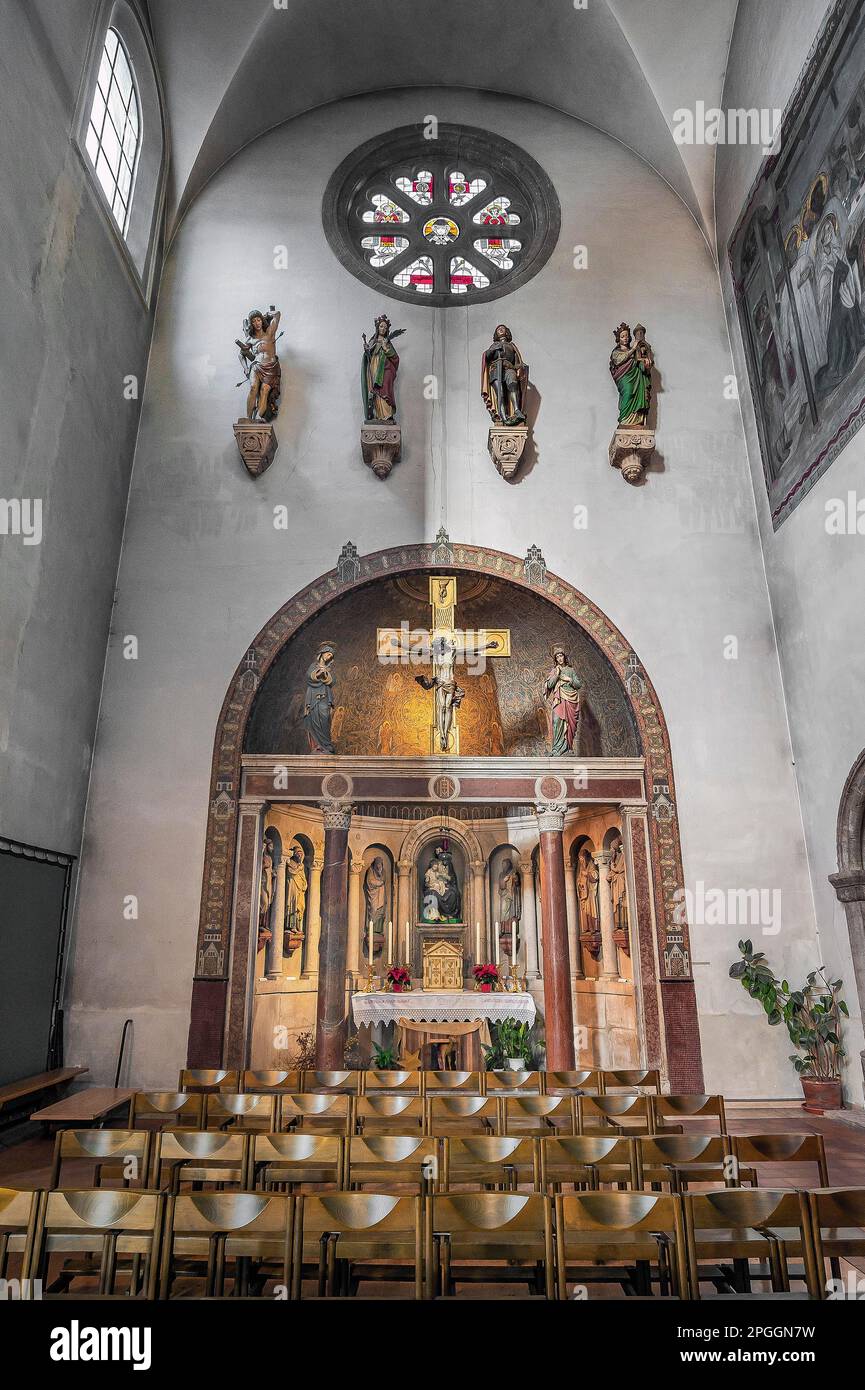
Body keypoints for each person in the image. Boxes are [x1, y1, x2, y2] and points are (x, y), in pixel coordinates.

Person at [236, 307, 282, 421]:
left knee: (265, 390)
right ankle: (249, 418)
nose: (256, 323)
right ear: (251, 324)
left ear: (262, 320)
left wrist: (268, 314)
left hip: (271, 367)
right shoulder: (250, 340)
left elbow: (277, 315)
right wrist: (246, 368)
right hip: (256, 367)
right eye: (253, 321)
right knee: (253, 388)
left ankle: (258, 417)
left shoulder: (270, 333)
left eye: (258, 319)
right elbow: (241, 354)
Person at [481, 324, 528, 425]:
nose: (500, 330)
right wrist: (493, 350)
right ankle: (503, 417)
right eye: (498, 329)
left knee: (513, 384)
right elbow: (487, 356)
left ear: (507, 332)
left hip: (509, 368)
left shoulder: (512, 346)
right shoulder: (494, 345)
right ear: (496, 334)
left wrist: (520, 366)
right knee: (500, 393)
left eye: (503, 329)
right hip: (496, 369)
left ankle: (516, 410)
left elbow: (517, 362)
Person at [610, 322, 652, 427]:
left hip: (637, 379)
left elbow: (640, 365)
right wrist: (633, 349)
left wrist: (646, 364)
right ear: (618, 339)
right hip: (624, 378)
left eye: (627, 336)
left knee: (637, 395)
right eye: (622, 336)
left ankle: (636, 420)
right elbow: (618, 361)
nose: (625, 338)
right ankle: (624, 419)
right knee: (628, 393)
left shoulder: (636, 351)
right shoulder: (616, 352)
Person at [544, 645, 583, 756]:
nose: (559, 659)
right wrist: (557, 675)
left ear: (564, 657)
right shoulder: (554, 671)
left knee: (569, 725)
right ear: (555, 659)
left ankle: (566, 748)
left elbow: (578, 684)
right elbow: (550, 685)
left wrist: (569, 679)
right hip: (559, 700)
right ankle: (556, 748)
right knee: (556, 721)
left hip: (570, 699)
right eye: (557, 657)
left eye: (561, 656)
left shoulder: (570, 670)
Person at [303, 643, 336, 753]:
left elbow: (332, 681)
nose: (329, 657)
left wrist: (325, 674)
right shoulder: (314, 666)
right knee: (313, 719)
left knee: (325, 717)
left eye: (331, 655)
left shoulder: (329, 669)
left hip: (325, 698)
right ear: (322, 653)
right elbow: (309, 676)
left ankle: (326, 745)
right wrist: (318, 674)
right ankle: (317, 746)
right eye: (328, 654)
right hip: (313, 697)